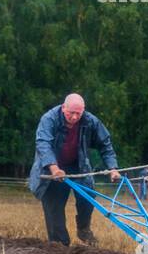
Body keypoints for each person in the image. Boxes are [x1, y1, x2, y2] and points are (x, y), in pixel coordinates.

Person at [27, 93, 120, 245]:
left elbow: (105, 144)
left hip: (79, 166)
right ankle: (60, 246)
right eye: (71, 113)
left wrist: (113, 168)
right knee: (54, 207)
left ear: (83, 111)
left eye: (79, 113)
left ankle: (83, 229)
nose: (75, 117)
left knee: (88, 197)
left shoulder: (90, 121)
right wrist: (54, 169)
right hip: (52, 168)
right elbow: (43, 144)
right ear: (64, 108)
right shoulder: (49, 119)